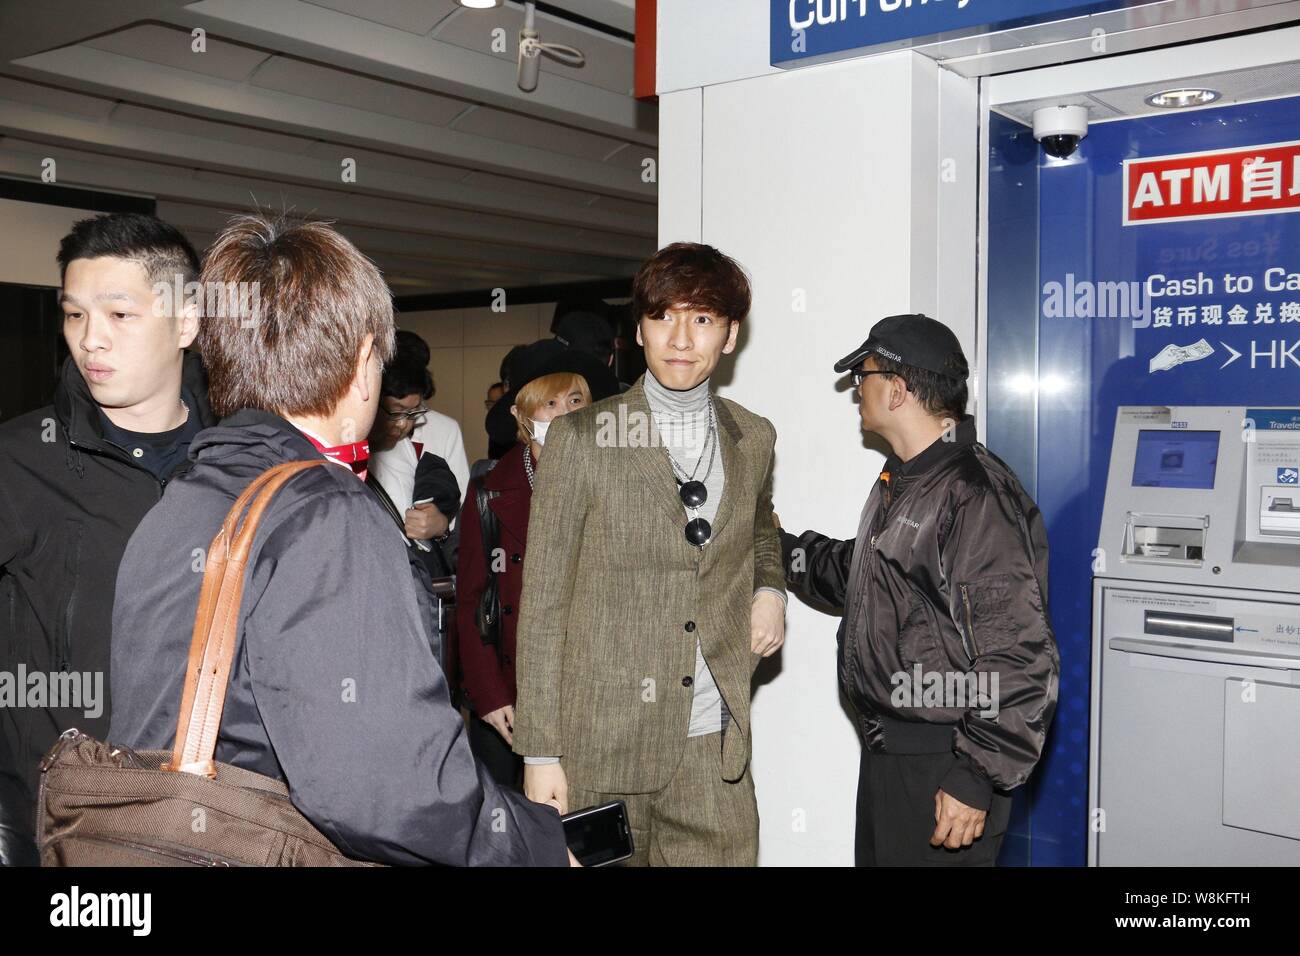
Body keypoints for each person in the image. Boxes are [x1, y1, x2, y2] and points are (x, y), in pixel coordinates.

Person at [107, 214, 571, 866]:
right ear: (361, 366)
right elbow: (384, 787)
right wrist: (537, 845)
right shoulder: (325, 518)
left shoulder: (184, 499)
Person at [513, 242, 787, 866]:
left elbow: (763, 530)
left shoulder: (754, 437)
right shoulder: (582, 438)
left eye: (702, 319)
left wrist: (770, 590)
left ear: (731, 334)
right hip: (598, 746)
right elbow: (545, 601)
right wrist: (540, 753)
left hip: (712, 752)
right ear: (638, 331)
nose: (682, 338)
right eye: (664, 317)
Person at [779, 313, 1060, 866]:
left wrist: (975, 775)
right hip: (897, 755)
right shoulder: (908, 479)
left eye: (865, 374)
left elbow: (1018, 653)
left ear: (899, 389)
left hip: (945, 760)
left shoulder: (971, 494)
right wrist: (772, 543)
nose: (857, 388)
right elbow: (858, 575)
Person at [0, 213, 214, 865]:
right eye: (74, 315)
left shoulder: (237, 465)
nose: (90, 340)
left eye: (119, 315)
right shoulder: (19, 460)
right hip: (60, 822)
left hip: (212, 816)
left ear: (186, 321)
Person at [456, 341, 618, 788]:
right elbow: (471, 601)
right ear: (523, 417)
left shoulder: (620, 482)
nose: (565, 414)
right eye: (549, 403)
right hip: (514, 699)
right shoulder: (490, 491)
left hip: (599, 696)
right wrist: (488, 696)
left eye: (575, 400)